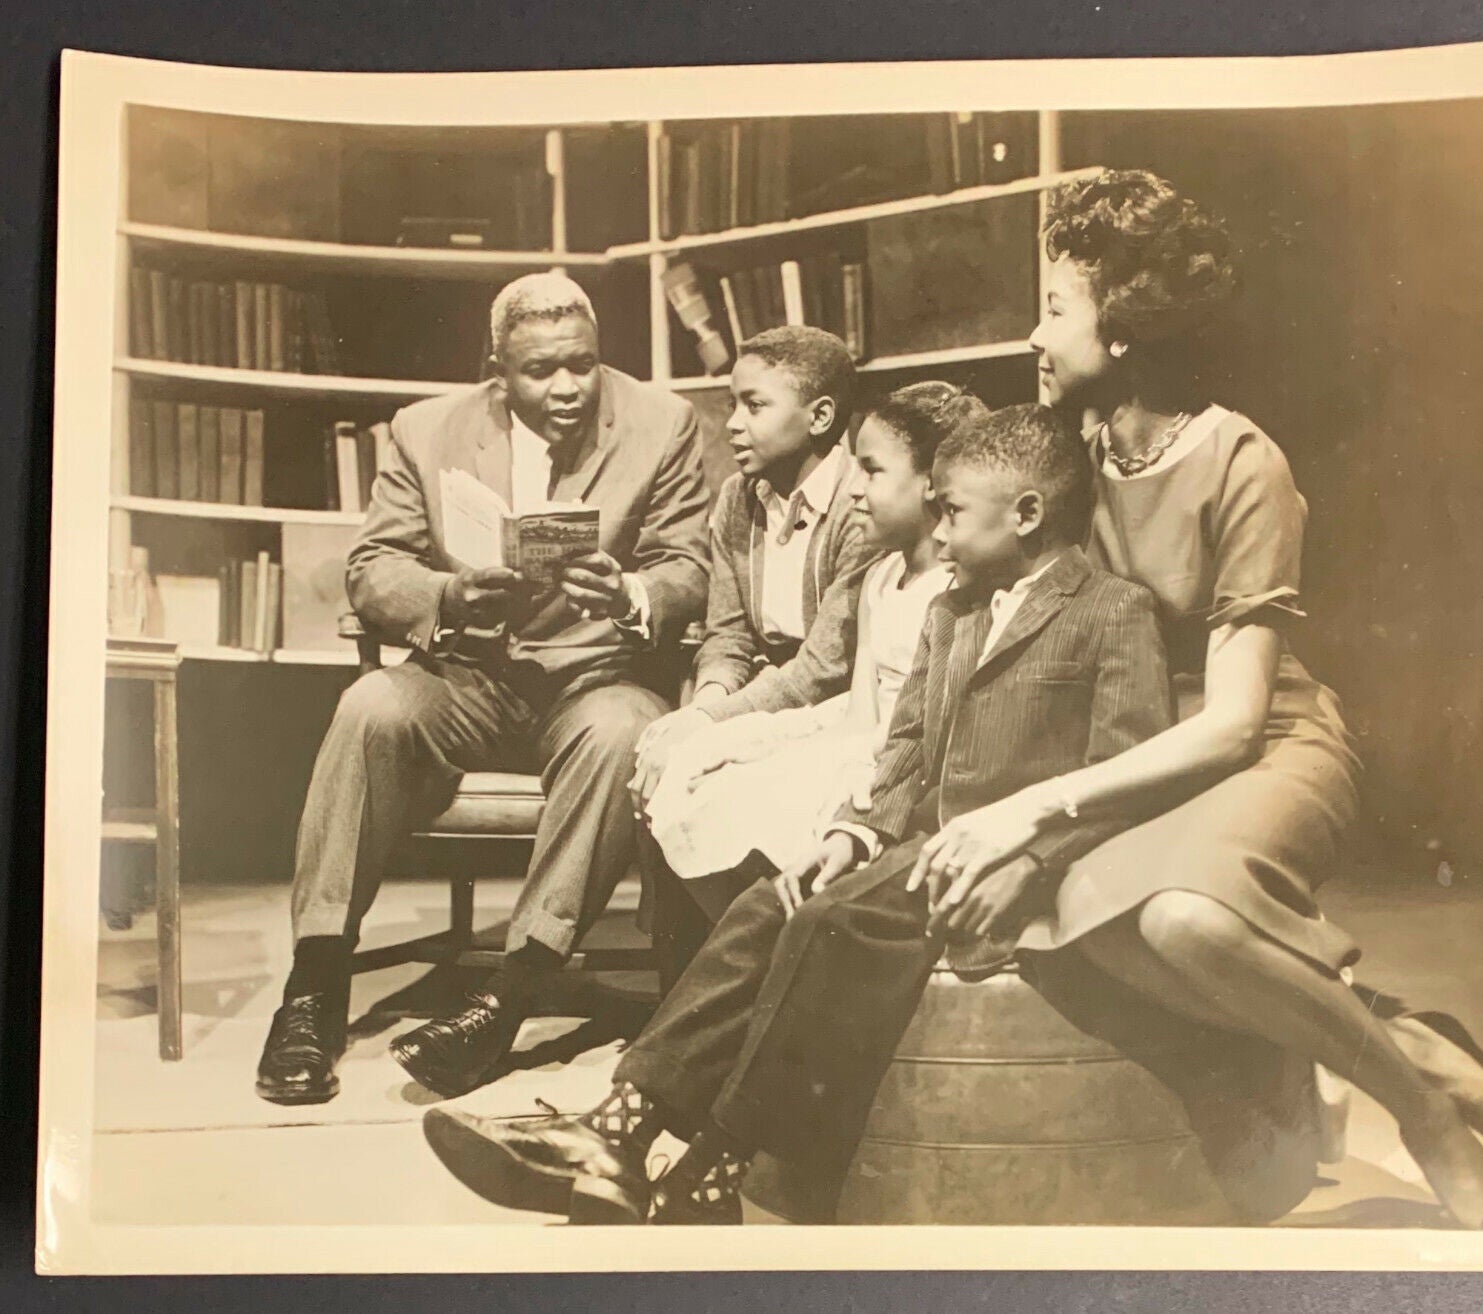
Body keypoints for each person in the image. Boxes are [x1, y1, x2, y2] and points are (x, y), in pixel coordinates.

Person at [896, 168, 1483, 1226]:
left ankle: (1423, 1106)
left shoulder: (1240, 461)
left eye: (1053, 310)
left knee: (1177, 919)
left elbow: (1229, 721)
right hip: (1130, 748)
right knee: (1074, 921)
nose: (1033, 336)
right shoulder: (1064, 455)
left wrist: (1033, 810)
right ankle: (1396, 1049)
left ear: (1122, 333)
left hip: (1261, 742)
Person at [421, 404, 1174, 1225]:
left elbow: (1129, 777)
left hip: (1005, 863)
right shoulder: (952, 610)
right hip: (915, 850)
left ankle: (715, 1158)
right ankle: (623, 1126)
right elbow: (907, 746)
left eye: (954, 511)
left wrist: (1034, 857)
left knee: (830, 923)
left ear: (1026, 513)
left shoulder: (1112, 612)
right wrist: (856, 831)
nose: (942, 532)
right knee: (765, 905)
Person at [254, 273, 711, 1106]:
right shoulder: (426, 430)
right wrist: (444, 598)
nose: (567, 389)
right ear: (495, 371)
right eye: (540, 372)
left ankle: (511, 995)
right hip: (466, 675)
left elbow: (689, 565)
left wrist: (634, 593)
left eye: (583, 365)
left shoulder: (663, 422)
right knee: (369, 708)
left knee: (621, 737)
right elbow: (372, 568)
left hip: (595, 679)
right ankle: (314, 986)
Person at [643, 381, 986, 921]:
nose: (855, 489)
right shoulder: (881, 577)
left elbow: (913, 730)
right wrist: (739, 739)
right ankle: (750, 942)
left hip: (907, 763)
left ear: (930, 485)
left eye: (871, 472)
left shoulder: (956, 595)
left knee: (770, 797)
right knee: (704, 768)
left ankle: (776, 942)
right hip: (857, 737)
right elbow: (856, 713)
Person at [627, 326, 881, 812]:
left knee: (698, 770)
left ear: (820, 416)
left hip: (833, 708)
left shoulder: (860, 505)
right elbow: (728, 636)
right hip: (758, 698)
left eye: (755, 406)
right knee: (663, 759)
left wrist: (710, 723)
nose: (732, 425)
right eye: (732, 405)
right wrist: (703, 707)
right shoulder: (738, 499)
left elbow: (824, 669)